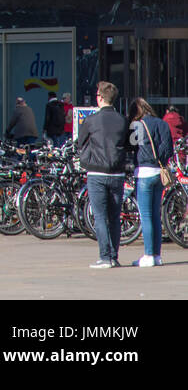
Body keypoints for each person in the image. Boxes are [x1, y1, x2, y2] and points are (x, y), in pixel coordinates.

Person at [77, 81, 129, 269]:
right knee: (115, 217)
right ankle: (114, 256)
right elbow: (129, 144)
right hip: (117, 173)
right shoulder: (123, 120)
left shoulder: (91, 120)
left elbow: (80, 142)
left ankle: (104, 257)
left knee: (99, 216)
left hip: (96, 172)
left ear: (99, 98)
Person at [129, 97, 173, 268]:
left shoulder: (137, 125)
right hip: (160, 173)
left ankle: (148, 255)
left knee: (146, 216)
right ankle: (157, 255)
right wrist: (159, 159)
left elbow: (132, 148)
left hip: (144, 172)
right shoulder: (162, 123)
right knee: (156, 215)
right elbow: (167, 148)